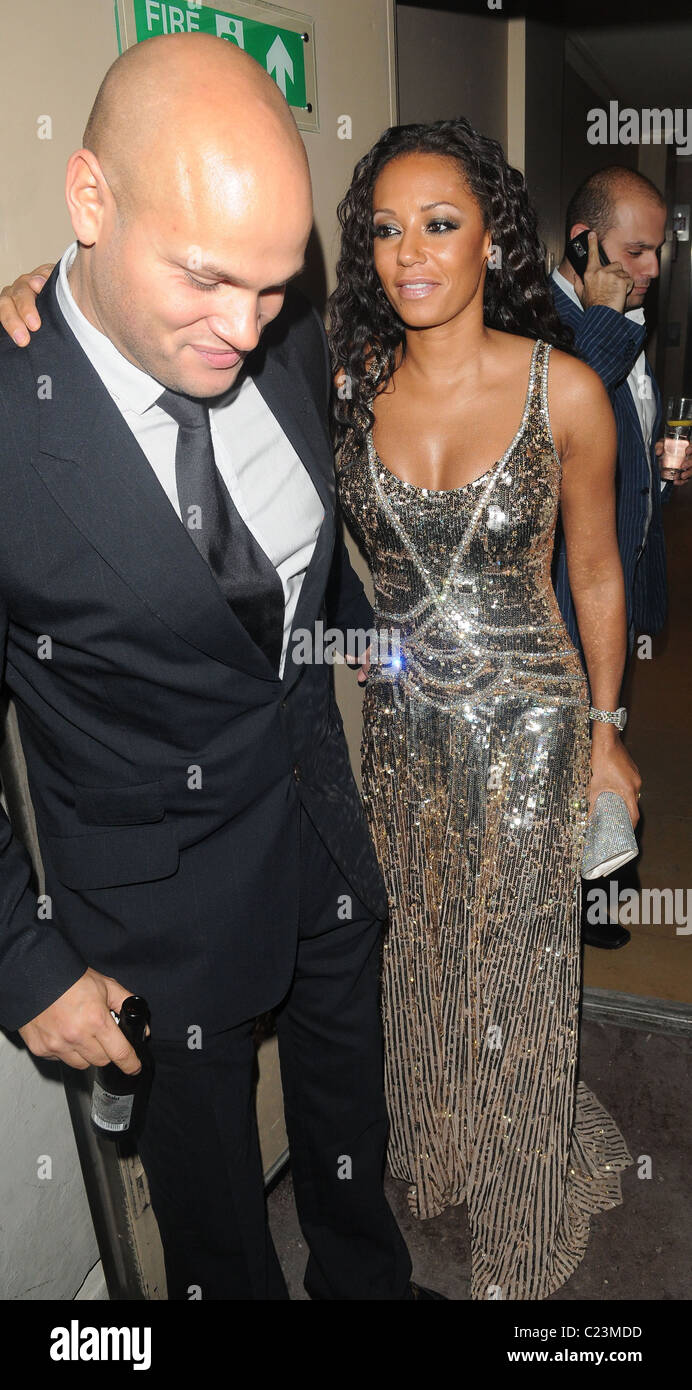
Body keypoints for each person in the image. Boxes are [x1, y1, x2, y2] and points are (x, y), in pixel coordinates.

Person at [0, 32, 434, 1301]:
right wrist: (20, 964)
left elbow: (303, 590)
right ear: (89, 200)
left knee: (349, 1127)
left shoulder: (278, 332)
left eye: (270, 284)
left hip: (317, 828)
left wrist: (392, 652)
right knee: (212, 1227)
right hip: (155, 914)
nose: (242, 330)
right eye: (204, 279)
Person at [328, 118, 639, 1300]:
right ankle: (446, 1140)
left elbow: (599, 572)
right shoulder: (350, 389)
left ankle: (517, 1208)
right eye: (387, 229)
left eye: (440, 224)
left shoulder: (565, 391)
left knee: (512, 968)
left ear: (491, 239)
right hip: (402, 736)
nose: (411, 252)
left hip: (533, 731)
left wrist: (606, 733)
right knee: (419, 957)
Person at [551, 166, 690, 950]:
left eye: (658, 252)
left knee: (608, 740)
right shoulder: (535, 322)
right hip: (562, 609)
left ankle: (604, 883)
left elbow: (611, 457)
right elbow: (556, 417)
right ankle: (588, 906)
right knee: (575, 760)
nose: (651, 270)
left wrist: (656, 481)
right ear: (582, 242)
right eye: (636, 251)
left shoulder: (621, 321)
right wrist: (604, 319)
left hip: (615, 600)